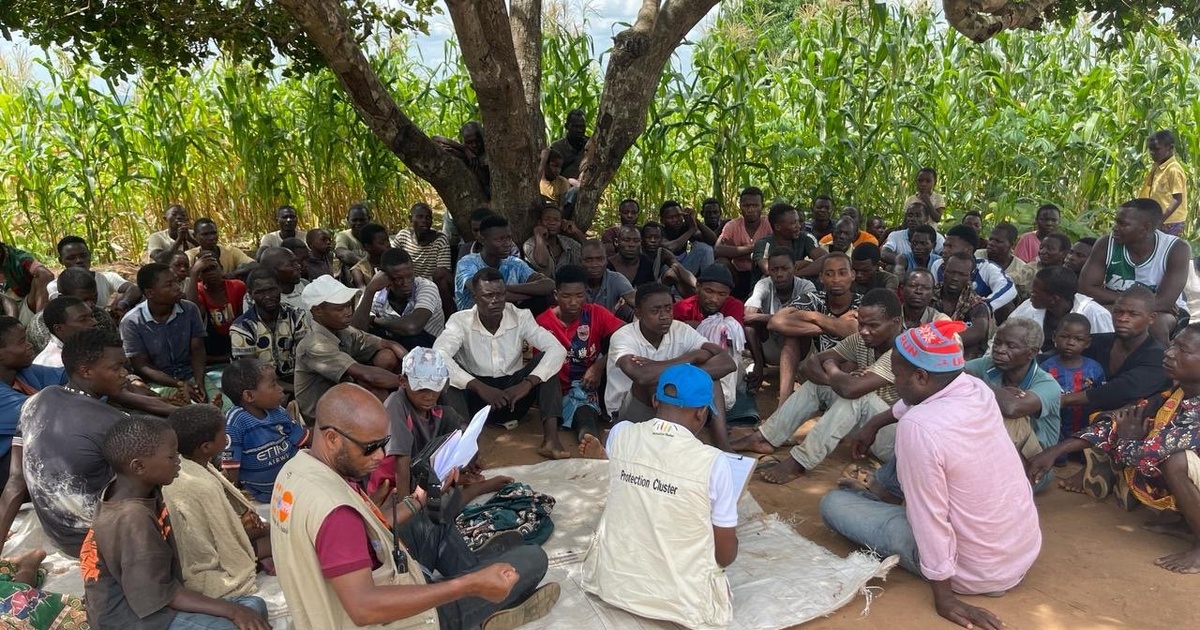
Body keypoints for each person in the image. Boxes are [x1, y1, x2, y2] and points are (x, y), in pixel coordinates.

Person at [272, 383, 557, 628]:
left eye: (384, 443)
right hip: (395, 621)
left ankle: (480, 580)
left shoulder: (297, 470)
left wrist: (419, 497)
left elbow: (354, 537)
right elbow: (364, 608)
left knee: (432, 520)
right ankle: (482, 600)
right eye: (371, 447)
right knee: (533, 558)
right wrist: (467, 585)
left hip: (334, 604)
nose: (381, 455)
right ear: (332, 438)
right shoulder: (336, 513)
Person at [820, 320, 1040, 629]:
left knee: (833, 504)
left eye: (896, 375)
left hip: (970, 570)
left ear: (921, 376)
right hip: (1019, 551)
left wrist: (945, 597)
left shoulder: (920, 426)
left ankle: (882, 499)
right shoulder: (975, 389)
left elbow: (929, 518)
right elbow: (910, 406)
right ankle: (885, 495)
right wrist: (874, 423)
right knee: (916, 444)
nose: (894, 383)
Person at [579, 364, 739, 628]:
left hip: (613, 586)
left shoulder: (622, 433)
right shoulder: (713, 462)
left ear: (655, 401)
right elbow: (725, 556)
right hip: (682, 604)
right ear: (701, 413)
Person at [1034, 323, 1200, 572]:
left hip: (1156, 456)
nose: (1169, 353)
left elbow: (1149, 456)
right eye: (1173, 344)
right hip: (1146, 449)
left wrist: (1128, 438)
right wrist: (1057, 450)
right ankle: (1188, 522)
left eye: (1182, 349)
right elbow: (1125, 417)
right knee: (1112, 419)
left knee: (1176, 462)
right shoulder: (1176, 392)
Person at [80, 415, 271, 629]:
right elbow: (158, 595)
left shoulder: (135, 487)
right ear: (139, 466)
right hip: (134, 619)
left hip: (150, 599)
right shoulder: (133, 520)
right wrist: (233, 611)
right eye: (171, 457)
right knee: (238, 622)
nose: (179, 461)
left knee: (254, 606)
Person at [735, 289, 905, 485]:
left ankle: (800, 462)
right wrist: (840, 381)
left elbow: (850, 389)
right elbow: (810, 365)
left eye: (873, 325)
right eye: (862, 323)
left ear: (895, 323)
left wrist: (833, 368)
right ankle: (765, 437)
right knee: (819, 386)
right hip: (870, 428)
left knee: (858, 397)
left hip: (897, 443)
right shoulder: (861, 340)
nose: (864, 331)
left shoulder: (901, 351)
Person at [18, 328, 131, 557]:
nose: (124, 374)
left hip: (57, 536)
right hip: (98, 542)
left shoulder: (35, 402)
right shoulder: (114, 422)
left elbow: (14, 479)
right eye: (116, 367)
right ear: (86, 371)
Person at [436, 268, 567, 454]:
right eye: (488, 295)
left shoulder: (521, 316)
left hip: (513, 396)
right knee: (449, 379)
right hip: (476, 401)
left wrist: (527, 384)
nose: (495, 301)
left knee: (547, 367)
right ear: (474, 297)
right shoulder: (459, 321)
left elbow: (556, 349)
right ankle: (464, 446)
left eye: (500, 294)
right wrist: (478, 387)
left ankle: (551, 440)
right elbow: (438, 355)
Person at [605, 283, 735, 450]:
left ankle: (723, 445)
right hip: (629, 412)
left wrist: (674, 368)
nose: (664, 316)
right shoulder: (624, 336)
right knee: (653, 382)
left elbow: (727, 362)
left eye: (668, 309)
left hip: (671, 405)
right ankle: (669, 447)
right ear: (638, 313)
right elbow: (642, 376)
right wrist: (692, 357)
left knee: (708, 378)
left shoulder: (680, 330)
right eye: (655, 311)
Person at [164, 404, 266, 599]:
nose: (227, 437)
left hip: (198, 550)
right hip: (206, 560)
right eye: (224, 434)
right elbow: (227, 542)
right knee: (276, 540)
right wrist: (247, 527)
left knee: (273, 529)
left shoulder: (189, 464)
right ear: (206, 447)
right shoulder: (200, 485)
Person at [294, 275, 406, 425]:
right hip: (320, 415)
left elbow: (387, 344)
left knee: (387, 356)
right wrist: (408, 382)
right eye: (340, 308)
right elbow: (367, 375)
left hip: (342, 397)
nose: (348, 312)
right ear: (318, 311)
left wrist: (410, 362)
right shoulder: (315, 345)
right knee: (378, 394)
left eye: (348, 305)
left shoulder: (343, 330)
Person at [1080, 198, 1191, 344]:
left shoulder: (1176, 249)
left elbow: (1165, 303)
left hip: (1163, 312)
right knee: (1091, 316)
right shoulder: (1106, 244)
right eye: (1116, 222)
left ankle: (1159, 365)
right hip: (1120, 306)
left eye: (1122, 224)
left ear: (1146, 227)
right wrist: (1129, 305)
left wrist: (1117, 303)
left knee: (1156, 324)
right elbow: (1085, 288)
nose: (1115, 228)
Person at [536, 265, 623, 447]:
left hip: (594, 384)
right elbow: (543, 369)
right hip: (560, 392)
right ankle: (590, 440)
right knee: (583, 411)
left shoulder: (595, 313)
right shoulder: (542, 324)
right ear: (555, 295)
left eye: (579, 295)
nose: (574, 302)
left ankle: (595, 437)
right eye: (566, 296)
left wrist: (600, 365)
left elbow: (628, 334)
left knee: (623, 359)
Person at [965, 318, 1063, 468]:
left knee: (1009, 416)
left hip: (1033, 462)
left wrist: (979, 383)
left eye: (1011, 346)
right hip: (992, 449)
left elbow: (1012, 408)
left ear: (1032, 352)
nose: (1000, 350)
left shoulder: (1048, 384)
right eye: (997, 343)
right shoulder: (987, 364)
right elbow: (953, 374)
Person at [768, 253, 862, 403]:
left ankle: (834, 401)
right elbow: (776, 321)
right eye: (829, 274)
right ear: (821, 277)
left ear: (853, 275)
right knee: (791, 338)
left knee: (855, 350)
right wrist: (828, 324)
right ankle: (783, 403)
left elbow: (854, 331)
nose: (836, 279)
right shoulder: (813, 298)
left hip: (844, 373)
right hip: (810, 368)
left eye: (842, 273)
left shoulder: (862, 303)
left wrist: (815, 317)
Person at [221, 358, 310, 502]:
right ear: (249, 396)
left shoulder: (278, 412)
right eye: (273, 384)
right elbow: (231, 468)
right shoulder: (235, 423)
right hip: (262, 496)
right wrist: (237, 501)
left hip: (295, 484)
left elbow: (305, 437)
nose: (281, 389)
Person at [122, 262, 212, 403]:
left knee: (224, 408)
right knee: (189, 414)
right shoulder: (132, 321)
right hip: (158, 383)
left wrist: (199, 382)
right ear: (150, 293)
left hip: (192, 375)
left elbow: (197, 349)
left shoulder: (189, 310)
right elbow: (141, 365)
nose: (177, 287)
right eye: (169, 285)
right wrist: (178, 384)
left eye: (176, 282)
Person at [745, 248, 817, 392]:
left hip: (800, 351)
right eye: (774, 269)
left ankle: (797, 370)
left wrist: (765, 318)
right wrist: (759, 315)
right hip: (771, 347)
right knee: (749, 326)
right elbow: (748, 313)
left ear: (794, 268)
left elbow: (805, 319)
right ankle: (759, 365)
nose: (779, 274)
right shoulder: (764, 284)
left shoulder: (806, 287)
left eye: (785, 269)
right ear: (769, 271)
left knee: (796, 329)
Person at [230, 267, 309, 395]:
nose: (268, 296)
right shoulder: (242, 327)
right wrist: (296, 390)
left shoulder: (296, 315)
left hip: (295, 380)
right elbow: (253, 374)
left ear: (279, 288)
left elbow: (305, 357)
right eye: (260, 292)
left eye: (272, 290)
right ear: (250, 294)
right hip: (259, 385)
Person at [454, 215, 553, 312]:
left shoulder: (513, 263)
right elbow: (484, 293)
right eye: (500, 239)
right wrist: (529, 293)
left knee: (540, 299)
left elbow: (549, 285)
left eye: (509, 238)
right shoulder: (467, 263)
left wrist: (504, 288)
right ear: (483, 240)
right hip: (473, 322)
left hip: (508, 320)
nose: (507, 244)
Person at [353, 248, 445, 349]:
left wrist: (375, 320)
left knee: (412, 338)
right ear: (383, 275)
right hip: (396, 347)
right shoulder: (376, 292)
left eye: (410, 276)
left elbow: (412, 327)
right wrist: (369, 290)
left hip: (431, 347)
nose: (406, 283)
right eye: (398, 278)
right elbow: (356, 333)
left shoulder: (426, 287)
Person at [1010, 265, 1113, 352]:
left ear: (1053, 299)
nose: (1031, 294)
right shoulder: (1028, 306)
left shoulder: (1095, 314)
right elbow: (1006, 334)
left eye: (1035, 292)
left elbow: (1106, 351)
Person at [1038, 314, 1107, 444]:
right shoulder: (1046, 368)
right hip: (1054, 430)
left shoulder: (1095, 368)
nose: (1070, 342)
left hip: (1084, 428)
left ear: (1087, 343)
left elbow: (1102, 397)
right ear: (1054, 337)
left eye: (1078, 339)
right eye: (1064, 337)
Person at [931, 225, 1018, 313]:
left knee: (1007, 306)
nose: (944, 251)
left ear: (968, 250)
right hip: (941, 318)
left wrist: (986, 305)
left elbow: (1009, 288)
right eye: (944, 246)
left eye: (950, 246)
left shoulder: (986, 268)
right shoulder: (938, 265)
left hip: (975, 318)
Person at [50, 235, 141, 316]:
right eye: (71, 258)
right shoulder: (54, 286)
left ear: (89, 255)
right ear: (61, 261)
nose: (78, 260)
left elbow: (134, 289)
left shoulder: (108, 277)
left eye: (83, 256)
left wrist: (122, 305)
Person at [185, 252, 246, 363]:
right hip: (211, 346)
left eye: (213, 268)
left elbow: (245, 318)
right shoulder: (197, 290)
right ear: (199, 275)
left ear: (221, 269)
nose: (210, 274)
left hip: (237, 341)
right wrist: (193, 273)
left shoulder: (237, 286)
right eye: (204, 271)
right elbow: (191, 312)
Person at [715, 187, 773, 299]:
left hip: (763, 272)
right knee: (721, 262)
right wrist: (755, 248)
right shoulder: (732, 225)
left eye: (755, 205)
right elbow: (718, 250)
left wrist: (736, 251)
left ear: (762, 206)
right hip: (737, 274)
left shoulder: (770, 224)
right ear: (740, 206)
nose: (751, 209)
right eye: (746, 205)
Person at [934, 252, 993, 359]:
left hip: (958, 356)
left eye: (962, 274)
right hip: (926, 350)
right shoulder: (930, 294)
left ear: (970, 276)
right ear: (943, 270)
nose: (955, 278)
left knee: (972, 348)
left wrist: (938, 343)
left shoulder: (976, 304)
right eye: (951, 272)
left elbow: (978, 332)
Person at [751, 202, 824, 280]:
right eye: (793, 223)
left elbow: (827, 260)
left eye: (798, 221)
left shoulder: (805, 237)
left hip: (797, 287)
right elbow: (768, 270)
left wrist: (797, 274)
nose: (799, 226)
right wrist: (805, 263)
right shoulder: (763, 244)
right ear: (778, 227)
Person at [1139, 129, 1189, 236]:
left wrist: (1161, 219)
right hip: (1160, 219)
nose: (1152, 153)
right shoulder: (1157, 166)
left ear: (1170, 148)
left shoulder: (1173, 169)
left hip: (1171, 221)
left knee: (1167, 248)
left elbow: (1177, 199)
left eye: (1156, 149)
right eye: (1150, 149)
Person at [391, 201, 452, 286]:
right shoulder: (403, 236)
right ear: (410, 219)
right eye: (420, 217)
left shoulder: (439, 240)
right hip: (405, 283)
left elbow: (442, 274)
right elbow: (390, 260)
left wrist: (419, 284)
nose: (424, 220)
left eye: (428, 217)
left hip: (431, 285)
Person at [658, 200, 717, 278]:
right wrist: (691, 230)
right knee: (667, 270)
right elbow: (672, 247)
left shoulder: (685, 228)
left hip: (685, 266)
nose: (676, 220)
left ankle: (709, 284)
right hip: (667, 271)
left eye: (678, 215)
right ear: (662, 220)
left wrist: (695, 220)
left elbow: (713, 240)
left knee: (704, 248)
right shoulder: (659, 230)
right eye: (671, 217)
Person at [978, 222, 1034, 302]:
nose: (991, 243)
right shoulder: (977, 257)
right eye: (991, 239)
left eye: (998, 241)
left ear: (1012, 244)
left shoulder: (1021, 268)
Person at [33, 295, 95, 368]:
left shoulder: (88, 345)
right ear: (59, 329)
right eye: (83, 320)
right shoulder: (52, 365)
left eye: (92, 316)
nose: (94, 322)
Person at [0, 241, 53, 326]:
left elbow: (46, 275)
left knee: (40, 279)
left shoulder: (17, 258)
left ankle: (40, 324)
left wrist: (40, 319)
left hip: (22, 308)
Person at [580, 239, 634, 321]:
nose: (595, 265)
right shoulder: (572, 280)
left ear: (606, 260)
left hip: (608, 329)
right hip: (576, 328)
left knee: (627, 311)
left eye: (599, 259)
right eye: (589, 260)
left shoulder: (616, 279)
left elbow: (637, 303)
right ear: (580, 261)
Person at [523, 203, 582, 276]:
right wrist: (538, 235)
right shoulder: (530, 244)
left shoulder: (568, 242)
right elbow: (542, 262)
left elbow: (590, 254)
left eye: (556, 220)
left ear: (562, 223)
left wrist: (576, 232)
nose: (552, 223)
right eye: (547, 219)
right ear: (539, 222)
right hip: (545, 286)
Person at [881, 202, 944, 268]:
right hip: (904, 271)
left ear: (926, 218)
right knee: (891, 267)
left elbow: (946, 257)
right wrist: (908, 262)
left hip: (929, 273)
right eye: (910, 215)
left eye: (917, 215)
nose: (912, 219)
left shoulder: (937, 237)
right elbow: (884, 253)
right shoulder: (895, 236)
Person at [186, 218, 255, 276]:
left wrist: (232, 275)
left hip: (229, 289)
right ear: (195, 236)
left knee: (245, 269)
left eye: (214, 233)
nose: (211, 237)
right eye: (205, 234)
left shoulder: (231, 252)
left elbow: (253, 264)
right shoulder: (190, 255)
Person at [254, 246, 309, 310]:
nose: (298, 266)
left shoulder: (305, 285)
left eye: (296, 262)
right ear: (273, 271)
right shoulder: (262, 298)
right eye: (291, 264)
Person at [347, 222, 393, 288]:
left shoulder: (394, 261)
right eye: (382, 243)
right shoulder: (359, 271)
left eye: (387, 240)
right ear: (368, 247)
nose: (388, 244)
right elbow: (363, 293)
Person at [549, 108, 588, 179]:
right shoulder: (558, 147)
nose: (579, 130)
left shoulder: (590, 145)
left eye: (582, 127)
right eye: (575, 127)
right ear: (567, 126)